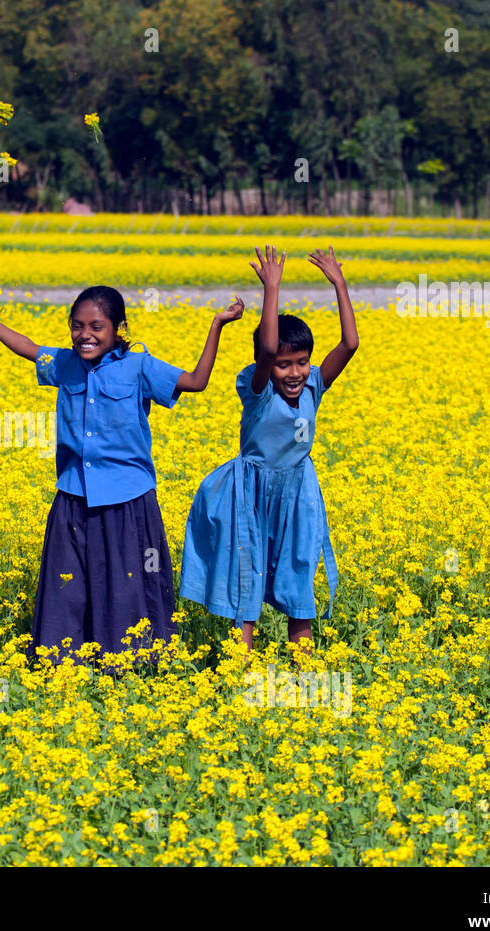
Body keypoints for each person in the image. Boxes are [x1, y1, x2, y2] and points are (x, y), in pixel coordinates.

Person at [0, 285, 245, 663]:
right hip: (74, 494)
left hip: (128, 499)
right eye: (77, 326)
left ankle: (131, 660)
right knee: (69, 585)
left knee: (128, 583)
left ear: (119, 328)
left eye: (97, 326)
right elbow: (27, 347)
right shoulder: (64, 364)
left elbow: (196, 381)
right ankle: (65, 663)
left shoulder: (138, 366)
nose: (86, 335)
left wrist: (217, 324)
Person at [180, 245, 359, 663]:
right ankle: (238, 672)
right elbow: (266, 350)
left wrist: (339, 283)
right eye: (284, 365)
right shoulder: (258, 392)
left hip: (297, 492)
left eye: (301, 363)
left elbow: (350, 345)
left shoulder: (314, 385)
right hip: (251, 493)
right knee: (247, 582)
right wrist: (272, 289)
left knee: (299, 580)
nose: (293, 372)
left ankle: (304, 670)